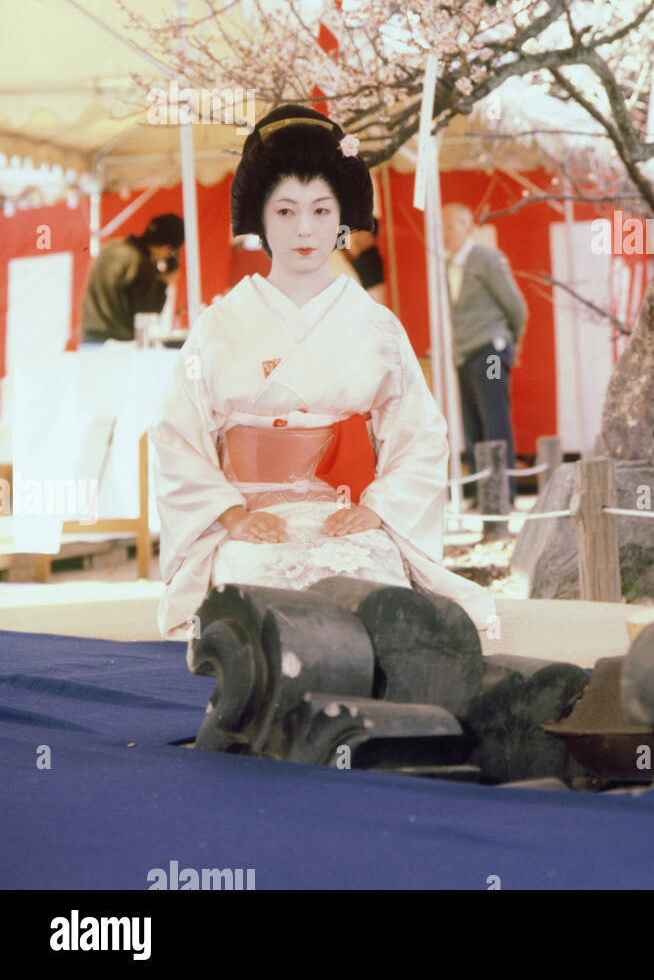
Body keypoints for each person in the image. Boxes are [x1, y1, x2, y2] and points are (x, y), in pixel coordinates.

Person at [149, 105, 496, 640]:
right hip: (249, 521)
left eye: (320, 210)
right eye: (285, 211)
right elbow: (176, 437)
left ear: (342, 219)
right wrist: (233, 516)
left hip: (345, 513)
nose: (304, 229)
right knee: (261, 610)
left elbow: (421, 436)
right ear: (260, 220)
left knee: (372, 601)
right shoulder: (219, 325)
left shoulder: (376, 326)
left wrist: (378, 510)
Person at [443, 203, 527, 506]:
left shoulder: (487, 260)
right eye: (443, 226)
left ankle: (503, 494)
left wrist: (507, 344)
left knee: (494, 418)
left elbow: (516, 307)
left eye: (453, 225)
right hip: (465, 355)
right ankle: (483, 495)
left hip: (491, 351)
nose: (446, 233)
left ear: (469, 227)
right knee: (473, 424)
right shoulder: (448, 266)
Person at [79, 213, 184, 345]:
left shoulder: (109, 247)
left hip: (89, 338)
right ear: (167, 247)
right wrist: (164, 283)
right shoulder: (140, 263)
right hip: (118, 345)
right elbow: (147, 313)